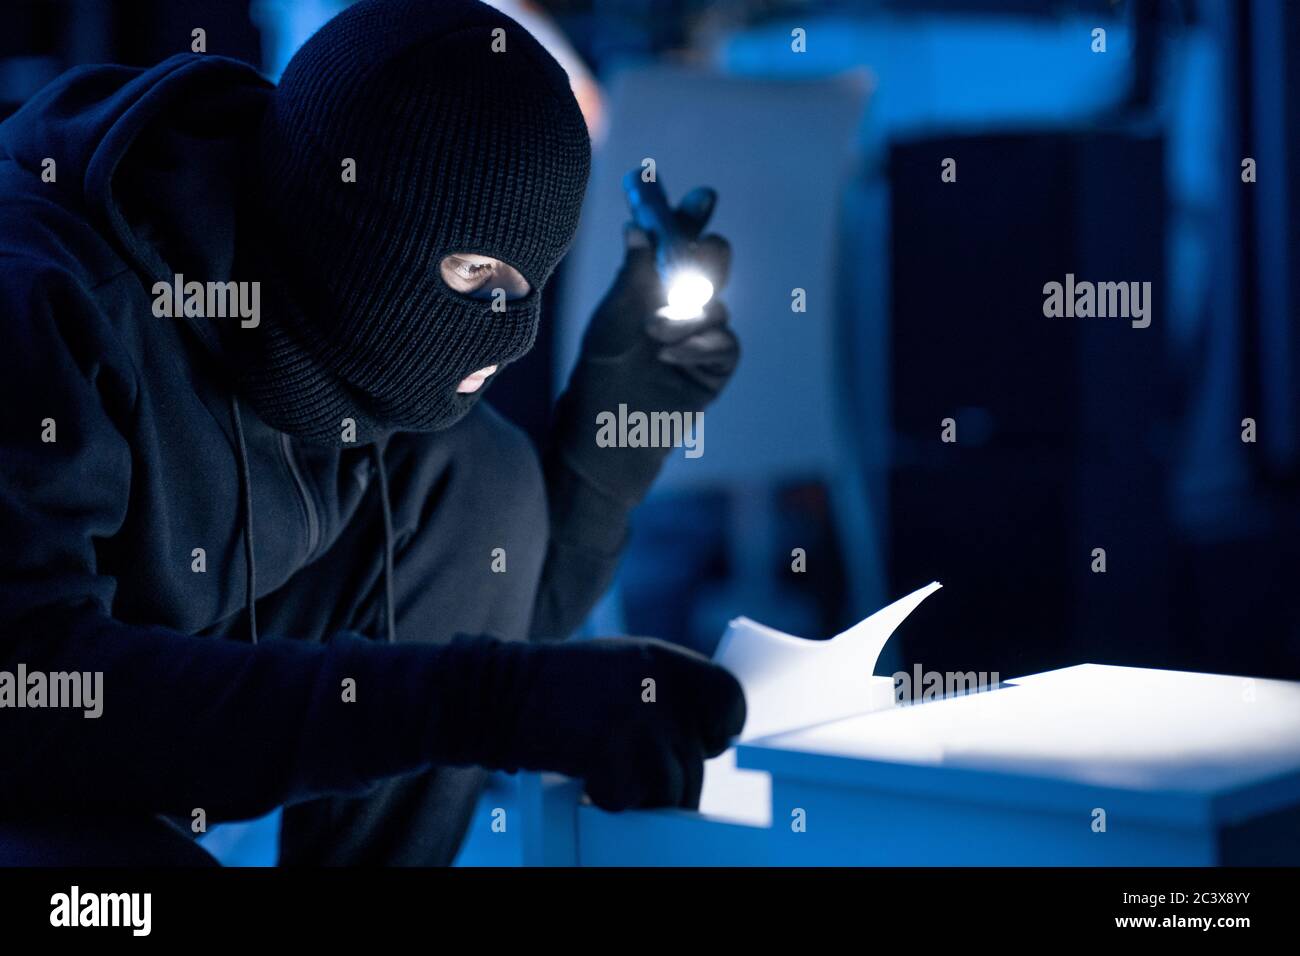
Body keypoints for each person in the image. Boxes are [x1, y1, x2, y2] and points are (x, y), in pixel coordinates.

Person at [0, 0, 743, 866]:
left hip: (146, 701)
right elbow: (35, 697)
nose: (508, 333)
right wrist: (478, 702)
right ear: (359, 215)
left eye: (529, 278)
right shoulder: (49, 302)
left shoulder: (331, 317)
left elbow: (493, 626)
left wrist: (622, 419)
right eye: (475, 269)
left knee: (483, 477)